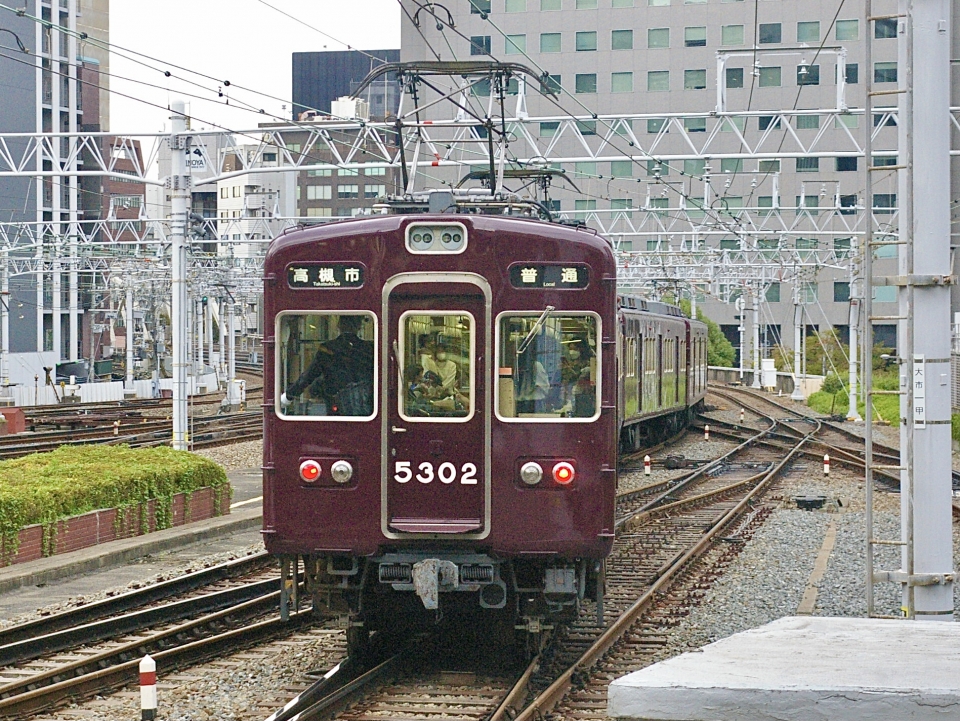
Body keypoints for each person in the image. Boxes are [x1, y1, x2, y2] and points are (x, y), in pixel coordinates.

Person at [281, 315, 374, 415]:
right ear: (359, 326)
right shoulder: (369, 348)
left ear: (339, 326)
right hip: (367, 408)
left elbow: (309, 376)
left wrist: (288, 396)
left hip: (337, 409)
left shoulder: (327, 349)